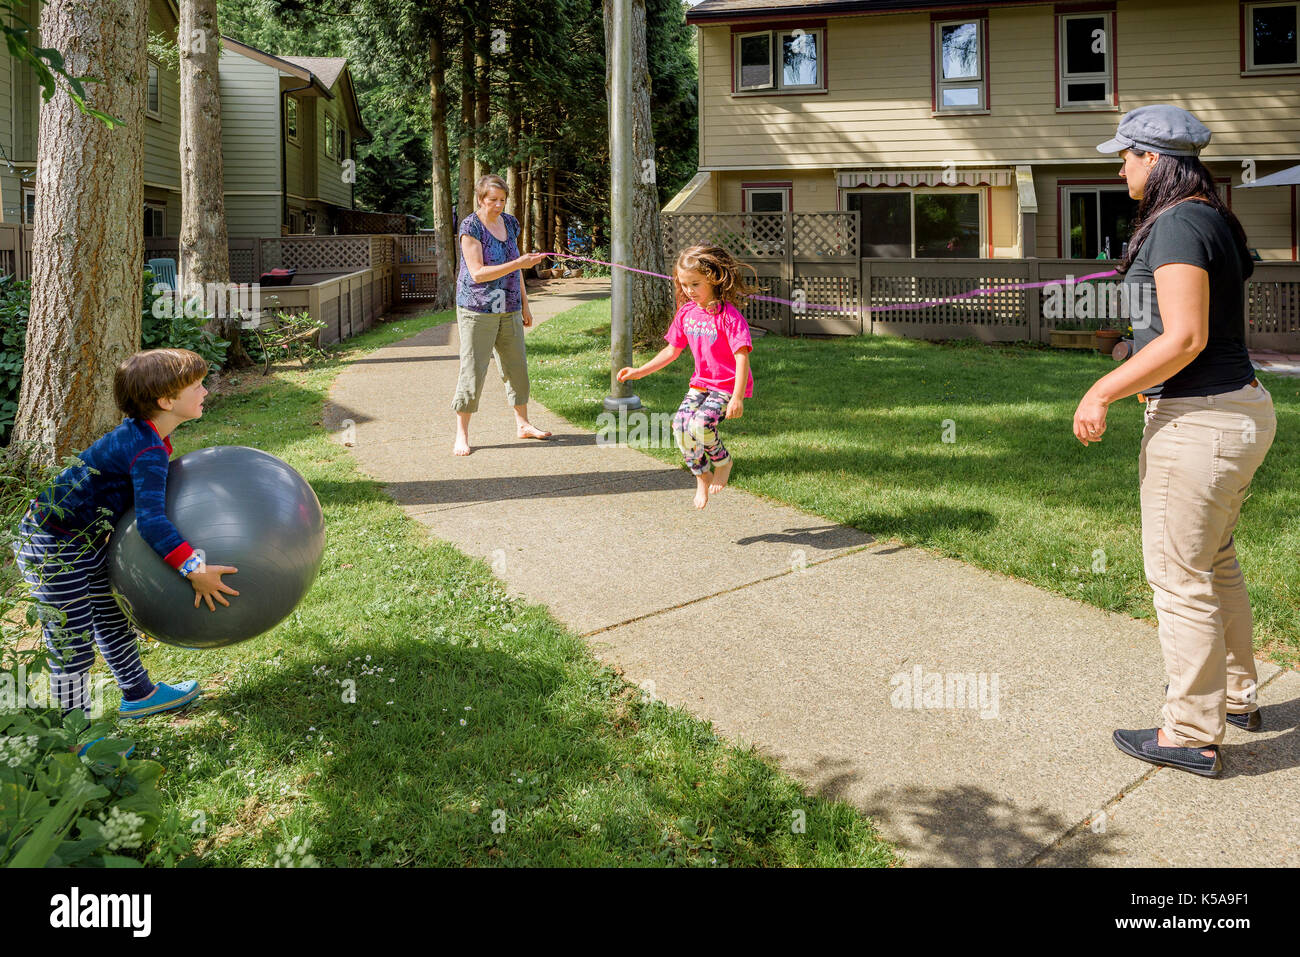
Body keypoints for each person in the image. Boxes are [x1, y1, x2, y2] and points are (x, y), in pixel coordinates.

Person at [1074, 105, 1276, 778]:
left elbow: (1186, 338)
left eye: (1126, 156)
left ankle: (1190, 730)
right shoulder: (1211, 216)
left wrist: (1103, 388)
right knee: (1216, 560)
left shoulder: (1181, 222)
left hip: (1197, 423)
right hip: (1236, 411)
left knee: (1180, 577)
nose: (1120, 166)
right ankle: (1240, 695)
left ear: (1154, 159)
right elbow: (1191, 329)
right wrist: (1132, 346)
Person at [12, 349, 239, 721]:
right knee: (73, 641)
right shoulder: (146, 449)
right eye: (196, 386)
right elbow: (151, 522)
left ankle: (139, 693)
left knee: (112, 614)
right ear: (166, 401)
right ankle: (73, 732)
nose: (205, 392)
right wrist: (195, 570)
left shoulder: (146, 436)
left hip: (82, 539)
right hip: (51, 543)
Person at [618, 244, 755, 509]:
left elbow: (742, 357)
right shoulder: (686, 313)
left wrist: (737, 397)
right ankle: (702, 474)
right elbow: (671, 350)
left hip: (726, 387)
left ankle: (723, 462)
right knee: (680, 427)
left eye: (696, 284)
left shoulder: (730, 317)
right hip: (701, 384)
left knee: (700, 425)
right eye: (684, 285)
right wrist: (639, 371)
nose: (690, 291)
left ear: (714, 279)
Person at [452, 173, 552, 455]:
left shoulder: (509, 223)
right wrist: (518, 263)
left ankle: (523, 424)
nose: (498, 205)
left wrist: (524, 303)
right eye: (493, 200)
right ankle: (462, 434)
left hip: (508, 306)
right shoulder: (470, 227)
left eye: (502, 200)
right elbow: (478, 273)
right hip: (477, 308)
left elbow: (516, 268)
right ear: (480, 199)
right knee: (473, 370)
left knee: (516, 367)